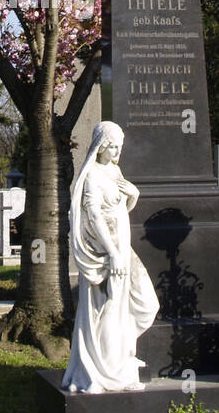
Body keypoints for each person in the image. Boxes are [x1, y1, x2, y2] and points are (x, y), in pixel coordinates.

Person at [62, 122, 159, 393]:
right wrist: (114, 253)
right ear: (101, 146)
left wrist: (133, 196)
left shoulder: (114, 170)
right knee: (107, 310)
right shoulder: (92, 175)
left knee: (144, 305)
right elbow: (94, 216)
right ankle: (103, 370)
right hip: (106, 253)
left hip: (122, 249)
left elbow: (119, 209)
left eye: (120, 147)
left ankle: (121, 359)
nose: (118, 152)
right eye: (113, 146)